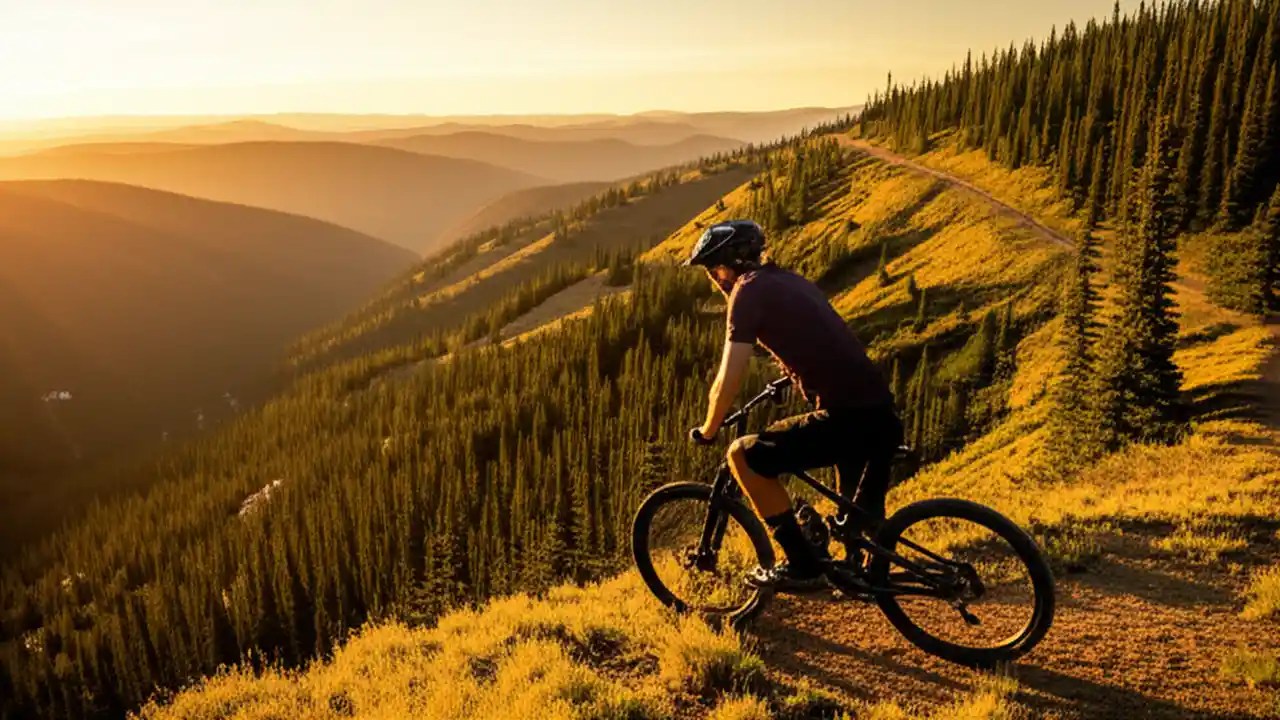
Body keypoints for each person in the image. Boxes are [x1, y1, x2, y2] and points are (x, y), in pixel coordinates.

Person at [685, 219, 904, 592]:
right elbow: (823, 341)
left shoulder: (746, 292)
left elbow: (727, 377)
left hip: (848, 417)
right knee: (857, 520)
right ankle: (866, 576)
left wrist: (708, 429)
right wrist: (793, 376)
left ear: (729, 264)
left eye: (714, 269)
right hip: (879, 413)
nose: (715, 280)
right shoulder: (790, 281)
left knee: (743, 455)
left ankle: (802, 566)